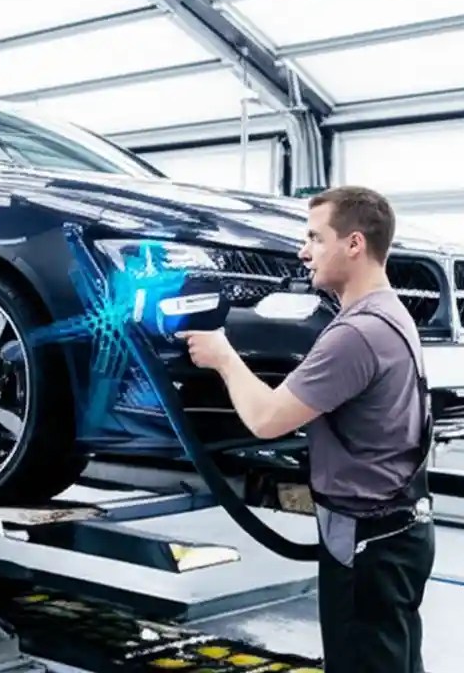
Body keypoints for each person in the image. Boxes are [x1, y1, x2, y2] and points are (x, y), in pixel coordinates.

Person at [177, 185, 435, 672]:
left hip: (366, 544)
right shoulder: (392, 314)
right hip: (399, 531)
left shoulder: (355, 333)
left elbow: (267, 419)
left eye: (315, 238)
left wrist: (223, 357)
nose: (303, 251)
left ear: (354, 244)